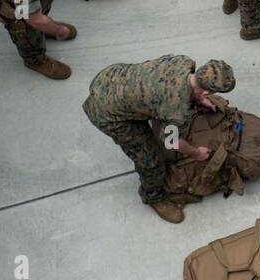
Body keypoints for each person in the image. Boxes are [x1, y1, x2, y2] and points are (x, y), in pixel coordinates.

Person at [83, 56, 235, 223]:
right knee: (151, 161)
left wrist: (198, 97)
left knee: (154, 110)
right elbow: (171, 141)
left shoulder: (183, 62)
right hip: (109, 115)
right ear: (206, 91)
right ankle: (153, 197)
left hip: (108, 78)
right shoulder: (178, 110)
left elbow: (164, 84)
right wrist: (196, 153)